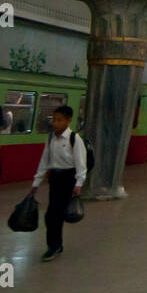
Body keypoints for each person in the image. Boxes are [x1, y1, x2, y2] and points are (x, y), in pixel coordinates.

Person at [29, 105, 87, 262]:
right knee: (56, 214)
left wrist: (79, 183)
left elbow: (81, 164)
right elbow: (44, 162)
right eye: (54, 120)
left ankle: (53, 247)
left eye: (59, 120)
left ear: (69, 121)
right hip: (54, 178)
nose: (55, 123)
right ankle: (57, 245)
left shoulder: (74, 139)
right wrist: (36, 182)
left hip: (69, 179)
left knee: (52, 215)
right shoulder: (51, 138)